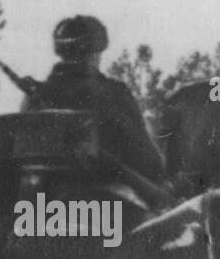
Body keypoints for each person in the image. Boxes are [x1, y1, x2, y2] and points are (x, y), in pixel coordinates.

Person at [22, 15, 165, 183]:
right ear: (96, 51)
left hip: (41, 202)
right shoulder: (114, 93)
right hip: (105, 202)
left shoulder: (35, 96)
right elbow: (149, 163)